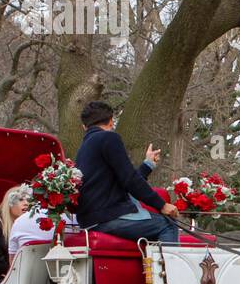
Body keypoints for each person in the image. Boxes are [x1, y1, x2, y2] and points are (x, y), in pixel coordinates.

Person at [74, 101, 181, 243]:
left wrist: (148, 164)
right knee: (168, 226)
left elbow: (122, 180)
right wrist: (162, 205)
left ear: (84, 127)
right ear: (111, 122)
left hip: (89, 220)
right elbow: (129, 179)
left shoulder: (83, 148)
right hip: (107, 217)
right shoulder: (109, 138)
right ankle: (166, 266)